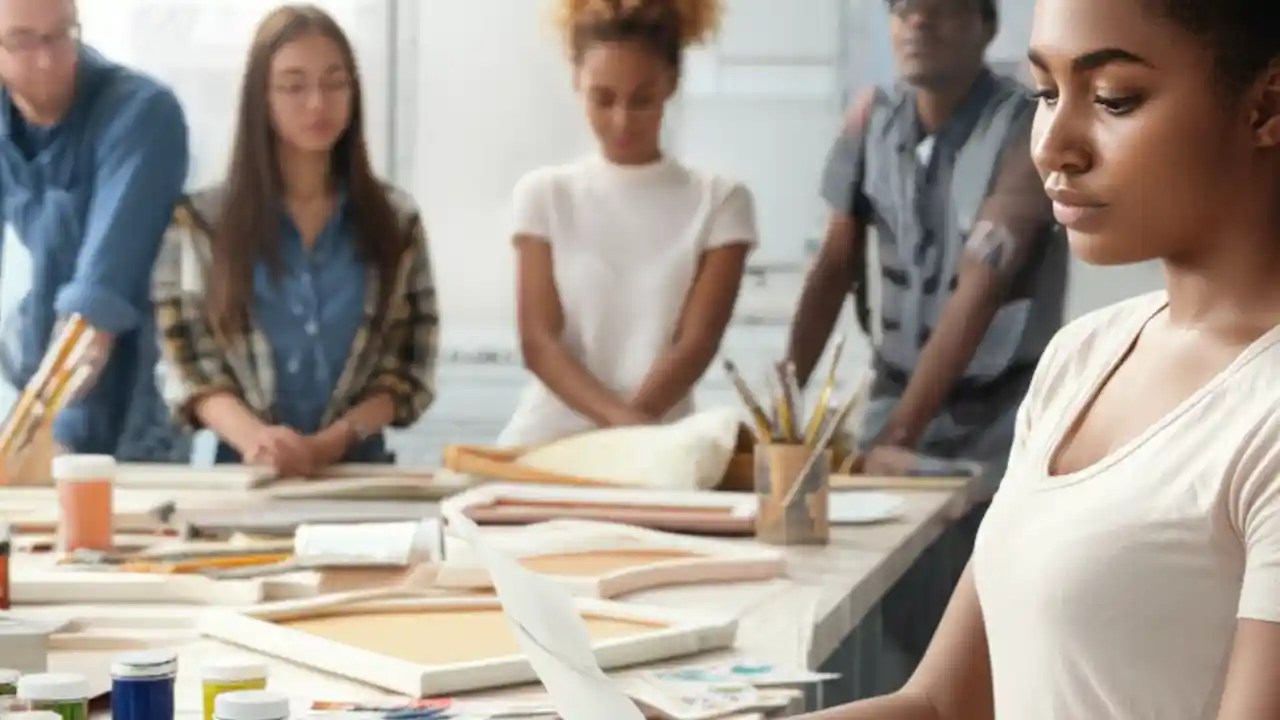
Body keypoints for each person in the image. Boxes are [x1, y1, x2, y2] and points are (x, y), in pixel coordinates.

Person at [798, 0, 1280, 716]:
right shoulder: (1082, 357)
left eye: (1115, 99)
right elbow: (940, 704)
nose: (1053, 144)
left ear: (1266, 106)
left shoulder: (1263, 411)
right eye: (1045, 94)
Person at [787, 0, 1065, 692]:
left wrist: (904, 435)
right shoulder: (870, 120)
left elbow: (980, 287)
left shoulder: (1022, 125)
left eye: (941, 10)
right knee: (860, 605)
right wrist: (786, 405)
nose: (918, 23)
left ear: (986, 24)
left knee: (984, 619)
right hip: (894, 394)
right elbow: (832, 265)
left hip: (996, 419)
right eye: (904, 8)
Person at [152, 4, 438, 476]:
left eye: (334, 82)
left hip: (360, 476)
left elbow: (408, 368)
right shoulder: (201, 225)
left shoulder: (396, 222)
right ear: (261, 98)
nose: (316, 104)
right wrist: (260, 441)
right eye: (293, 85)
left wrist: (327, 445)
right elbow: (189, 368)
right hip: (243, 473)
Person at [497, 0, 757, 447]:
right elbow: (539, 342)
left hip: (657, 449)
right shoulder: (544, 195)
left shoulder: (719, 202)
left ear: (671, 84)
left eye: (641, 100)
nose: (620, 120)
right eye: (602, 98)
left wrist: (629, 438)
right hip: (545, 445)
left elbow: (695, 343)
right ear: (576, 77)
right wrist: (624, 426)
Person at [0, 0, 190, 465]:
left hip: (137, 395)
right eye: (22, 40)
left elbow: (95, 309)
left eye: (60, 35)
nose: (45, 60)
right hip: (42, 370)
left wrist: (37, 443)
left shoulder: (143, 114)